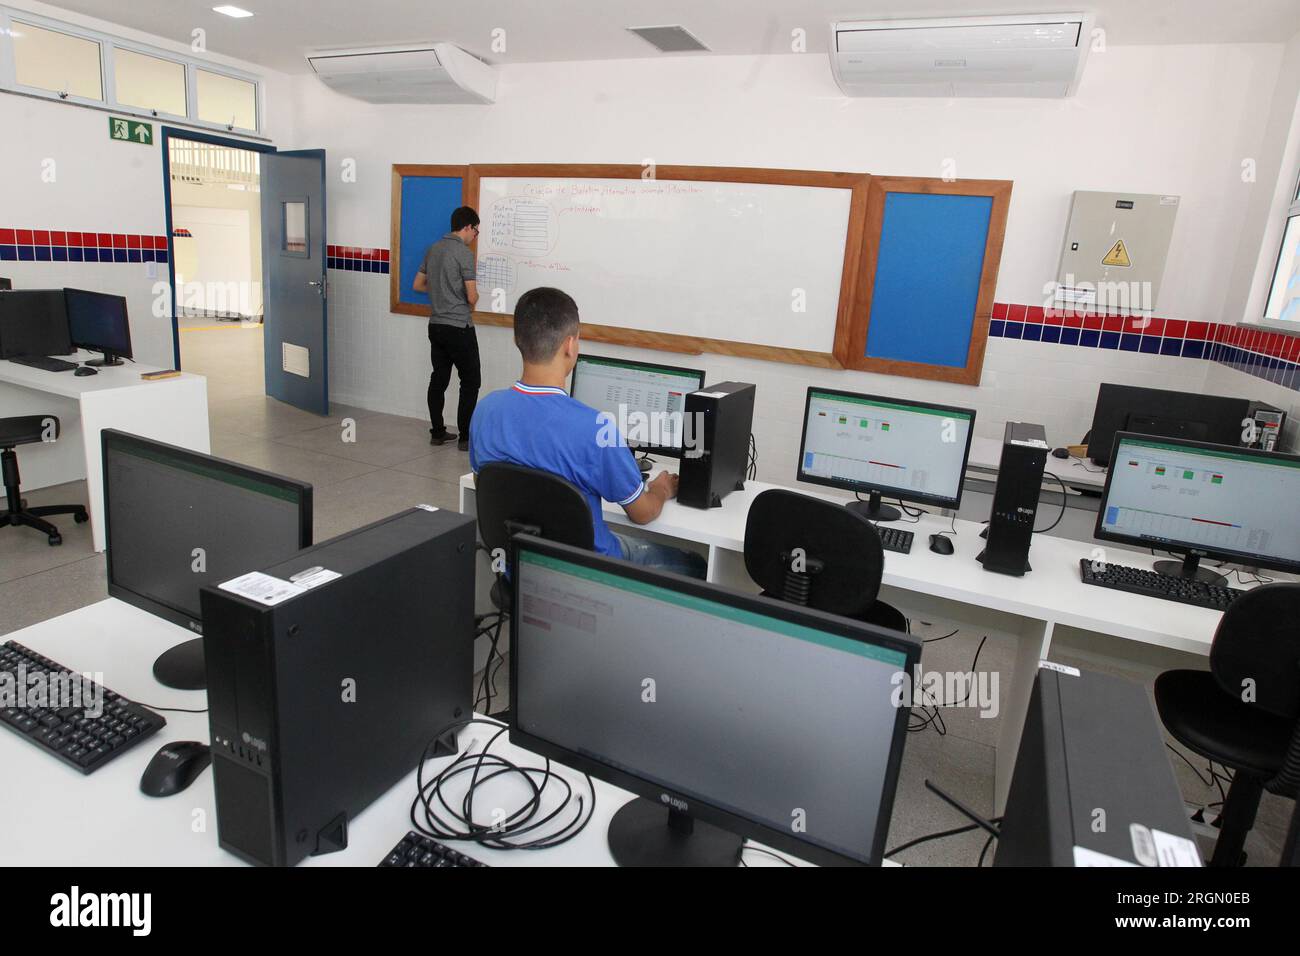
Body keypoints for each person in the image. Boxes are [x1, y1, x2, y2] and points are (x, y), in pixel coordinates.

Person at [470, 287, 707, 579]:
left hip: (516, 565)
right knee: (697, 564)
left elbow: (486, 487)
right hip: (589, 572)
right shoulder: (595, 428)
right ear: (570, 345)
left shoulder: (485, 411)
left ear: (517, 339)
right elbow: (642, 513)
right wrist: (661, 488)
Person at [414, 206, 481, 451]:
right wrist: (469, 299)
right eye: (476, 230)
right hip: (459, 327)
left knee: (439, 379)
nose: (475, 236)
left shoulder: (433, 249)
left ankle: (438, 433)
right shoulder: (463, 254)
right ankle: (465, 438)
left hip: (436, 325)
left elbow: (418, 284)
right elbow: (472, 296)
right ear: (467, 227)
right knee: (471, 381)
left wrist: (439, 293)